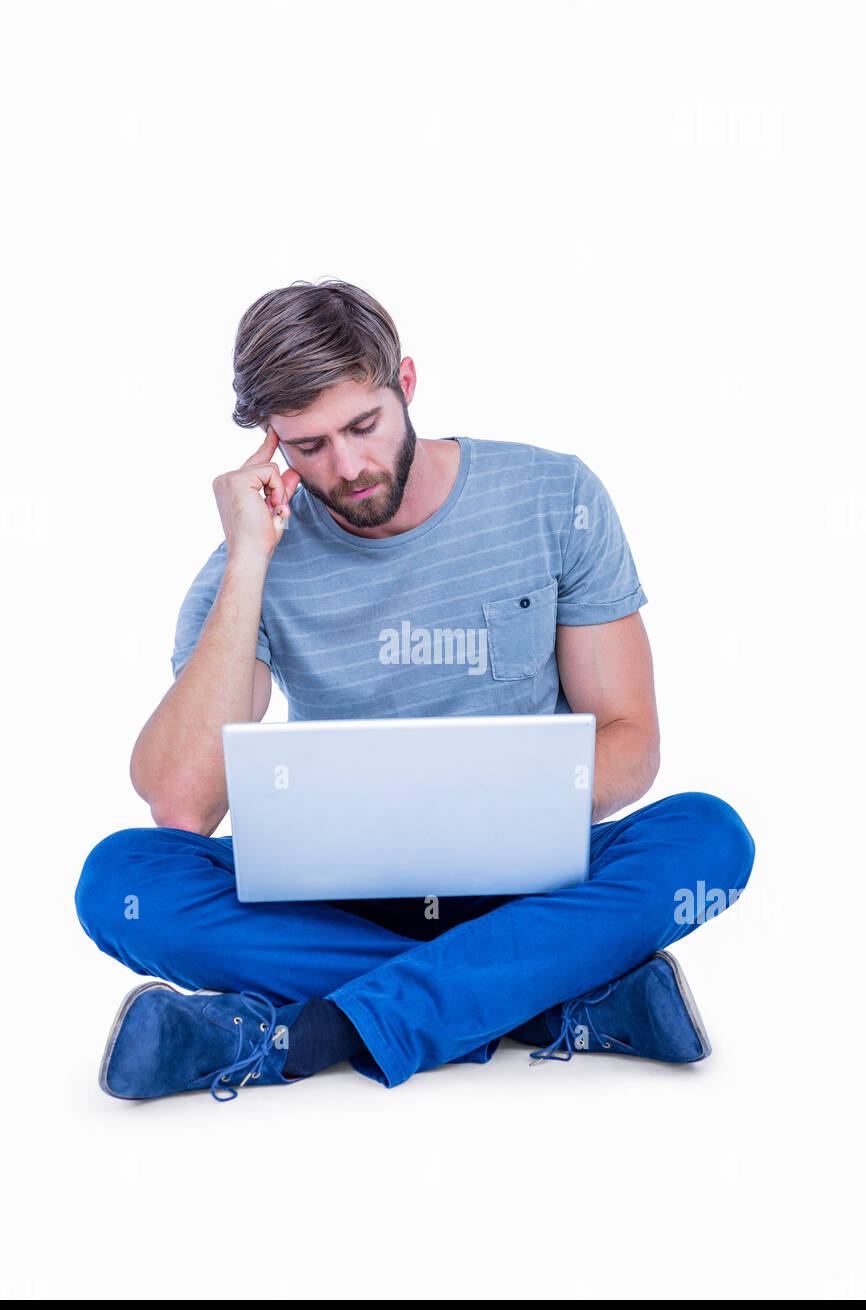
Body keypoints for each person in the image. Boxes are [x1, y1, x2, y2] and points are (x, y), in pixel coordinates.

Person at [74, 278, 755, 1102]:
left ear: (405, 383)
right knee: (123, 881)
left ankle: (313, 1031)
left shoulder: (556, 498)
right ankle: (542, 1000)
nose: (349, 467)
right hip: (347, 902)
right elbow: (181, 805)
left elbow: (629, 741)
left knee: (709, 837)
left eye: (363, 425)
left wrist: (482, 807)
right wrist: (251, 557)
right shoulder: (244, 567)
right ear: (271, 443)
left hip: (532, 882)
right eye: (310, 445)